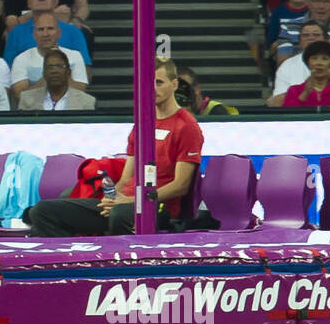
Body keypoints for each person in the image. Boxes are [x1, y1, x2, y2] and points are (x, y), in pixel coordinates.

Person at [27, 58, 203, 235]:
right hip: (125, 202)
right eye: (149, 83)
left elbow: (181, 185)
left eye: (159, 82)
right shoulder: (143, 123)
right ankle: (76, 260)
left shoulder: (186, 125)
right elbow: (126, 178)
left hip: (158, 206)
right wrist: (112, 199)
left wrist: (131, 201)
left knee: (119, 215)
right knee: (42, 211)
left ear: (174, 84)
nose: (153, 88)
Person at [268, 39, 330, 111]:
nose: (319, 63)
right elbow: (290, 114)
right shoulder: (294, 90)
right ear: (308, 63)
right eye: (314, 58)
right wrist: (305, 92)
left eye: (324, 59)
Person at [17, 48, 97, 112]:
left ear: (68, 72)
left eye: (59, 66)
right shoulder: (26, 99)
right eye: (50, 67)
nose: (54, 71)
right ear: (44, 73)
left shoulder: (86, 101)